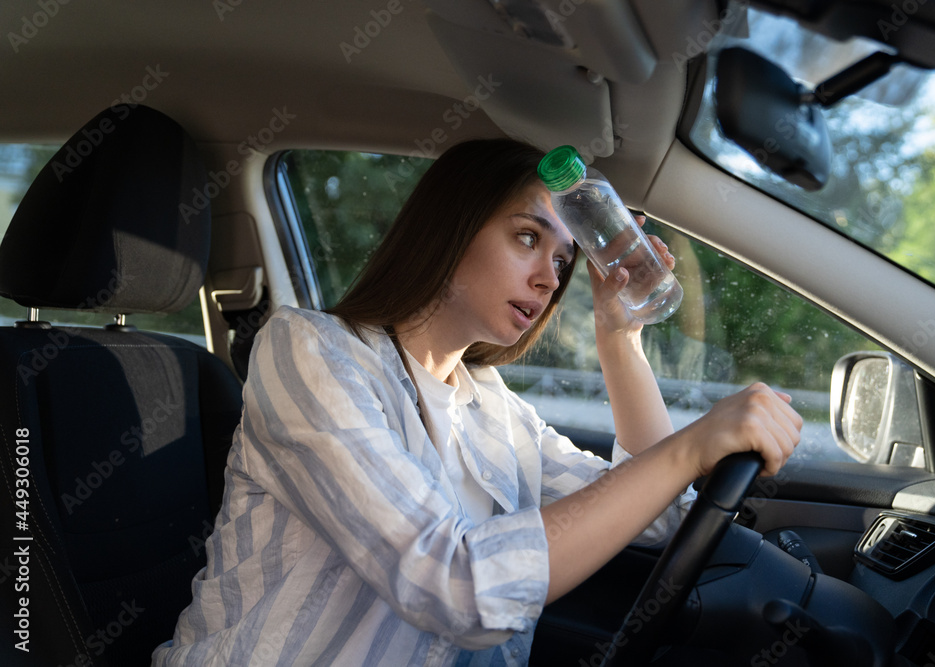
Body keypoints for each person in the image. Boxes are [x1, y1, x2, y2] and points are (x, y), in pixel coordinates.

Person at [151, 138, 801, 666]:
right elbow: (453, 585)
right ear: (451, 228)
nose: (550, 278)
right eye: (527, 237)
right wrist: (693, 443)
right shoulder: (310, 353)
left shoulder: (492, 408)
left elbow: (662, 513)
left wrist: (620, 339)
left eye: (563, 257)